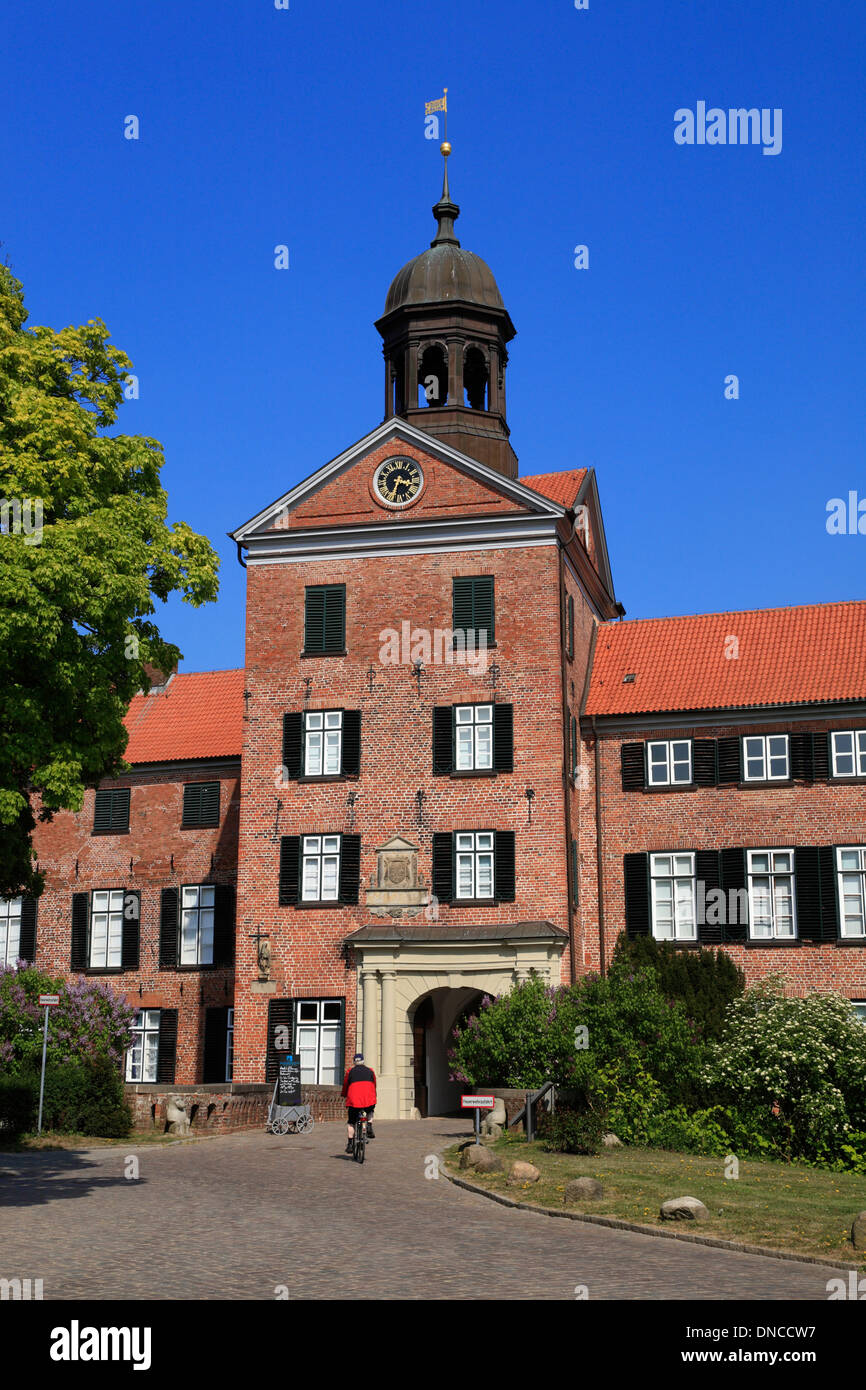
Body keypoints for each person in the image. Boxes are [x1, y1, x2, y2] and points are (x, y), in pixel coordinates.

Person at [342, 1052, 377, 1153]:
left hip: (354, 1100)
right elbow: (374, 1084)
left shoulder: (350, 1071)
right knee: (370, 1111)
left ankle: (349, 1144)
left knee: (351, 1121)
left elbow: (345, 1085)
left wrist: (344, 1094)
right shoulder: (370, 1071)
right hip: (368, 1098)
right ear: (363, 1061)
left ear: (354, 1062)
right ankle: (369, 1126)